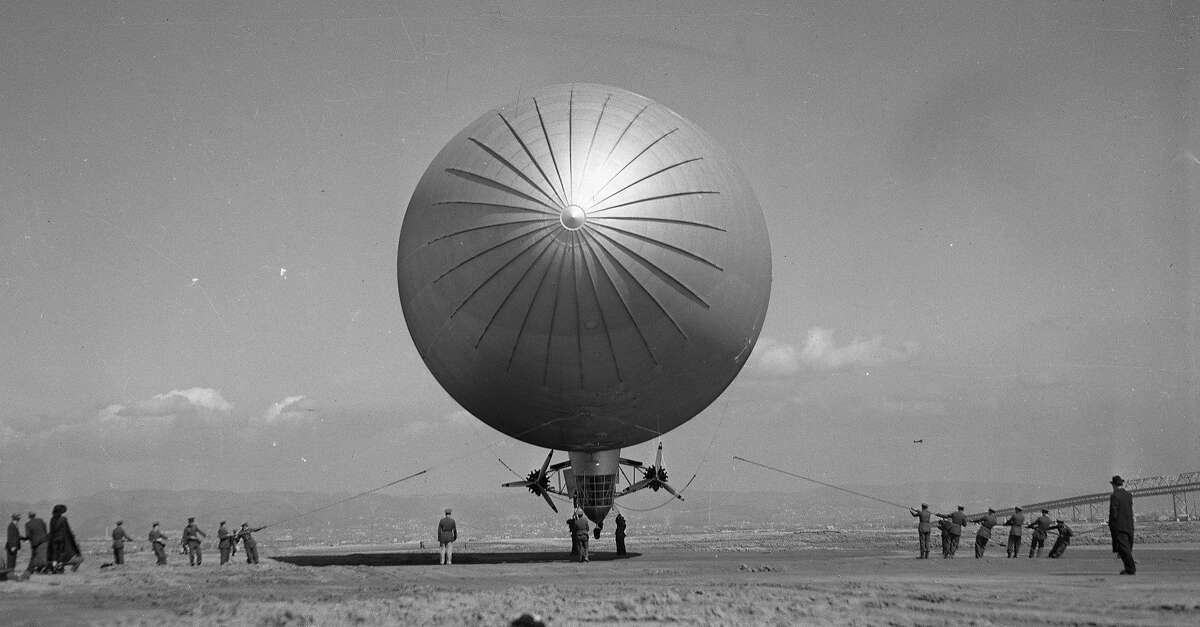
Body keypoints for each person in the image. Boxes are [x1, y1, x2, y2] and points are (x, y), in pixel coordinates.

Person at [1108, 475, 1136, 575]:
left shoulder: (1114, 496)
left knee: (1123, 549)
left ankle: (1130, 569)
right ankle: (1129, 568)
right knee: (1126, 548)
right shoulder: (1129, 495)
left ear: (1114, 485)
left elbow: (1113, 512)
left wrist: (1111, 523)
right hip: (1130, 525)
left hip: (1119, 526)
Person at [47, 504, 82, 573]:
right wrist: (76, 549)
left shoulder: (52, 520)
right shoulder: (63, 519)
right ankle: (66, 570)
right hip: (62, 542)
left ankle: (55, 569)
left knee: (55, 558)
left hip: (54, 542)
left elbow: (51, 532)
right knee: (63, 558)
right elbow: (68, 531)